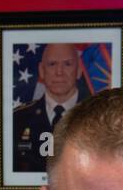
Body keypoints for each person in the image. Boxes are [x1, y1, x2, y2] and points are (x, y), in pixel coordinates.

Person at [12, 44, 89, 173]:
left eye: (67, 64)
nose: (59, 72)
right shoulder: (18, 119)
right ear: (42, 70)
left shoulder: (96, 117)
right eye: (52, 64)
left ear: (79, 70)